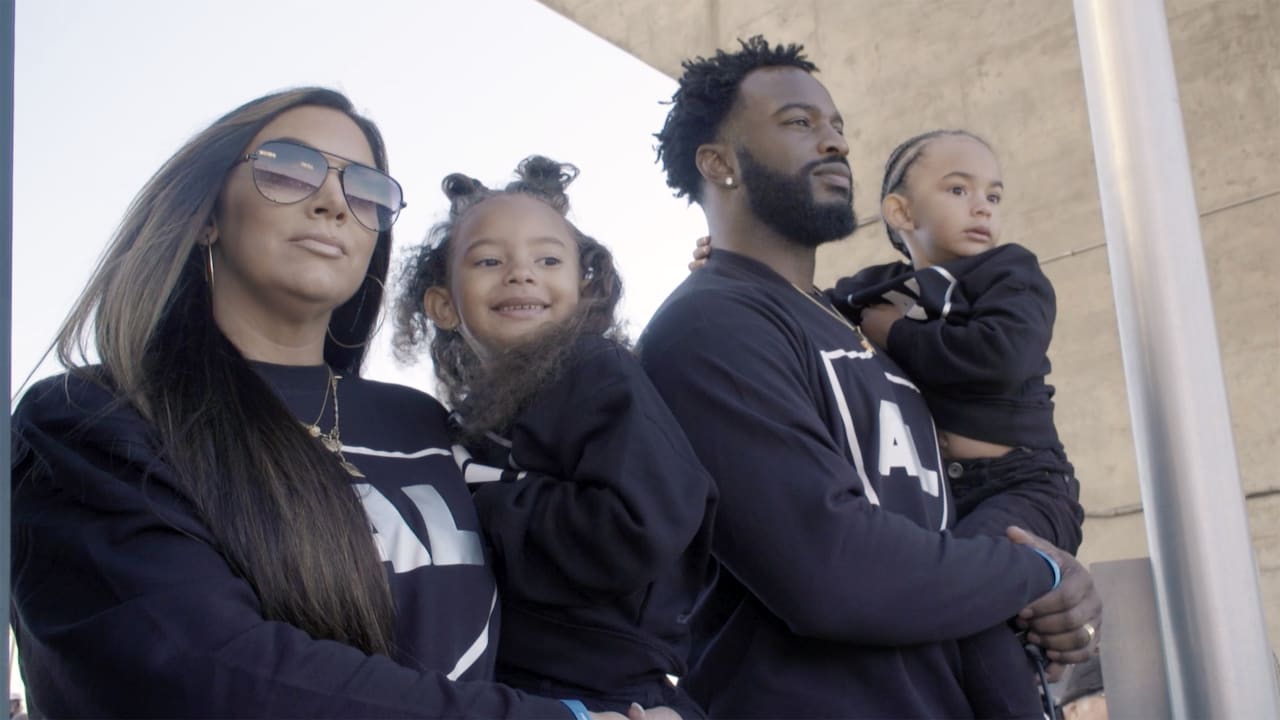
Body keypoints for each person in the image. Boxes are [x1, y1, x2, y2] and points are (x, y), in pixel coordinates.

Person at [8, 87, 658, 720]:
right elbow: (200, 673)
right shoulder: (89, 421)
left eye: (366, 189)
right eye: (289, 170)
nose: (333, 202)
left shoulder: (426, 426)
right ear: (207, 213)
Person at [639, 36, 1101, 718]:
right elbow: (833, 572)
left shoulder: (859, 320)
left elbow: (950, 533)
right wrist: (1039, 570)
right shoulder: (708, 326)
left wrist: (1051, 595)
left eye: (838, 127)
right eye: (799, 123)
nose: (835, 144)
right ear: (719, 162)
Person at [392, 157, 715, 717]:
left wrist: (479, 508)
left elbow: (642, 521)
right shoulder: (465, 422)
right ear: (443, 304)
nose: (521, 273)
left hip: (609, 691)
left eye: (547, 258)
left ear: (583, 287)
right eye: (490, 260)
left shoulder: (597, 370)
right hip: (505, 685)